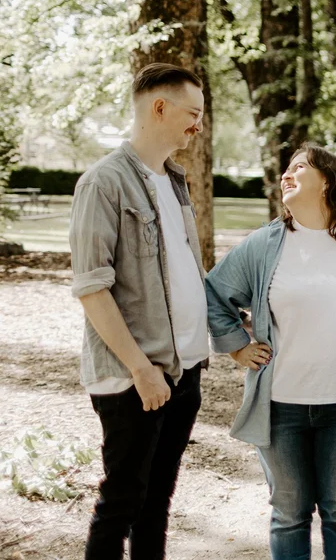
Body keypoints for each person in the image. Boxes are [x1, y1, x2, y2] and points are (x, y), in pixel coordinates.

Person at [204, 144, 336, 560]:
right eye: (287, 167)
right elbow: (212, 293)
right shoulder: (265, 244)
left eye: (300, 167)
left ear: (328, 181)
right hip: (281, 407)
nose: (287, 174)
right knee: (288, 514)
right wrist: (238, 348)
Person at [68, 63, 208, 560]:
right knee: (121, 504)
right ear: (159, 107)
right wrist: (140, 369)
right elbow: (91, 288)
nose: (198, 125)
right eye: (193, 113)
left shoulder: (174, 181)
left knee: (156, 505)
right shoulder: (103, 183)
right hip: (136, 379)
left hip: (184, 372)